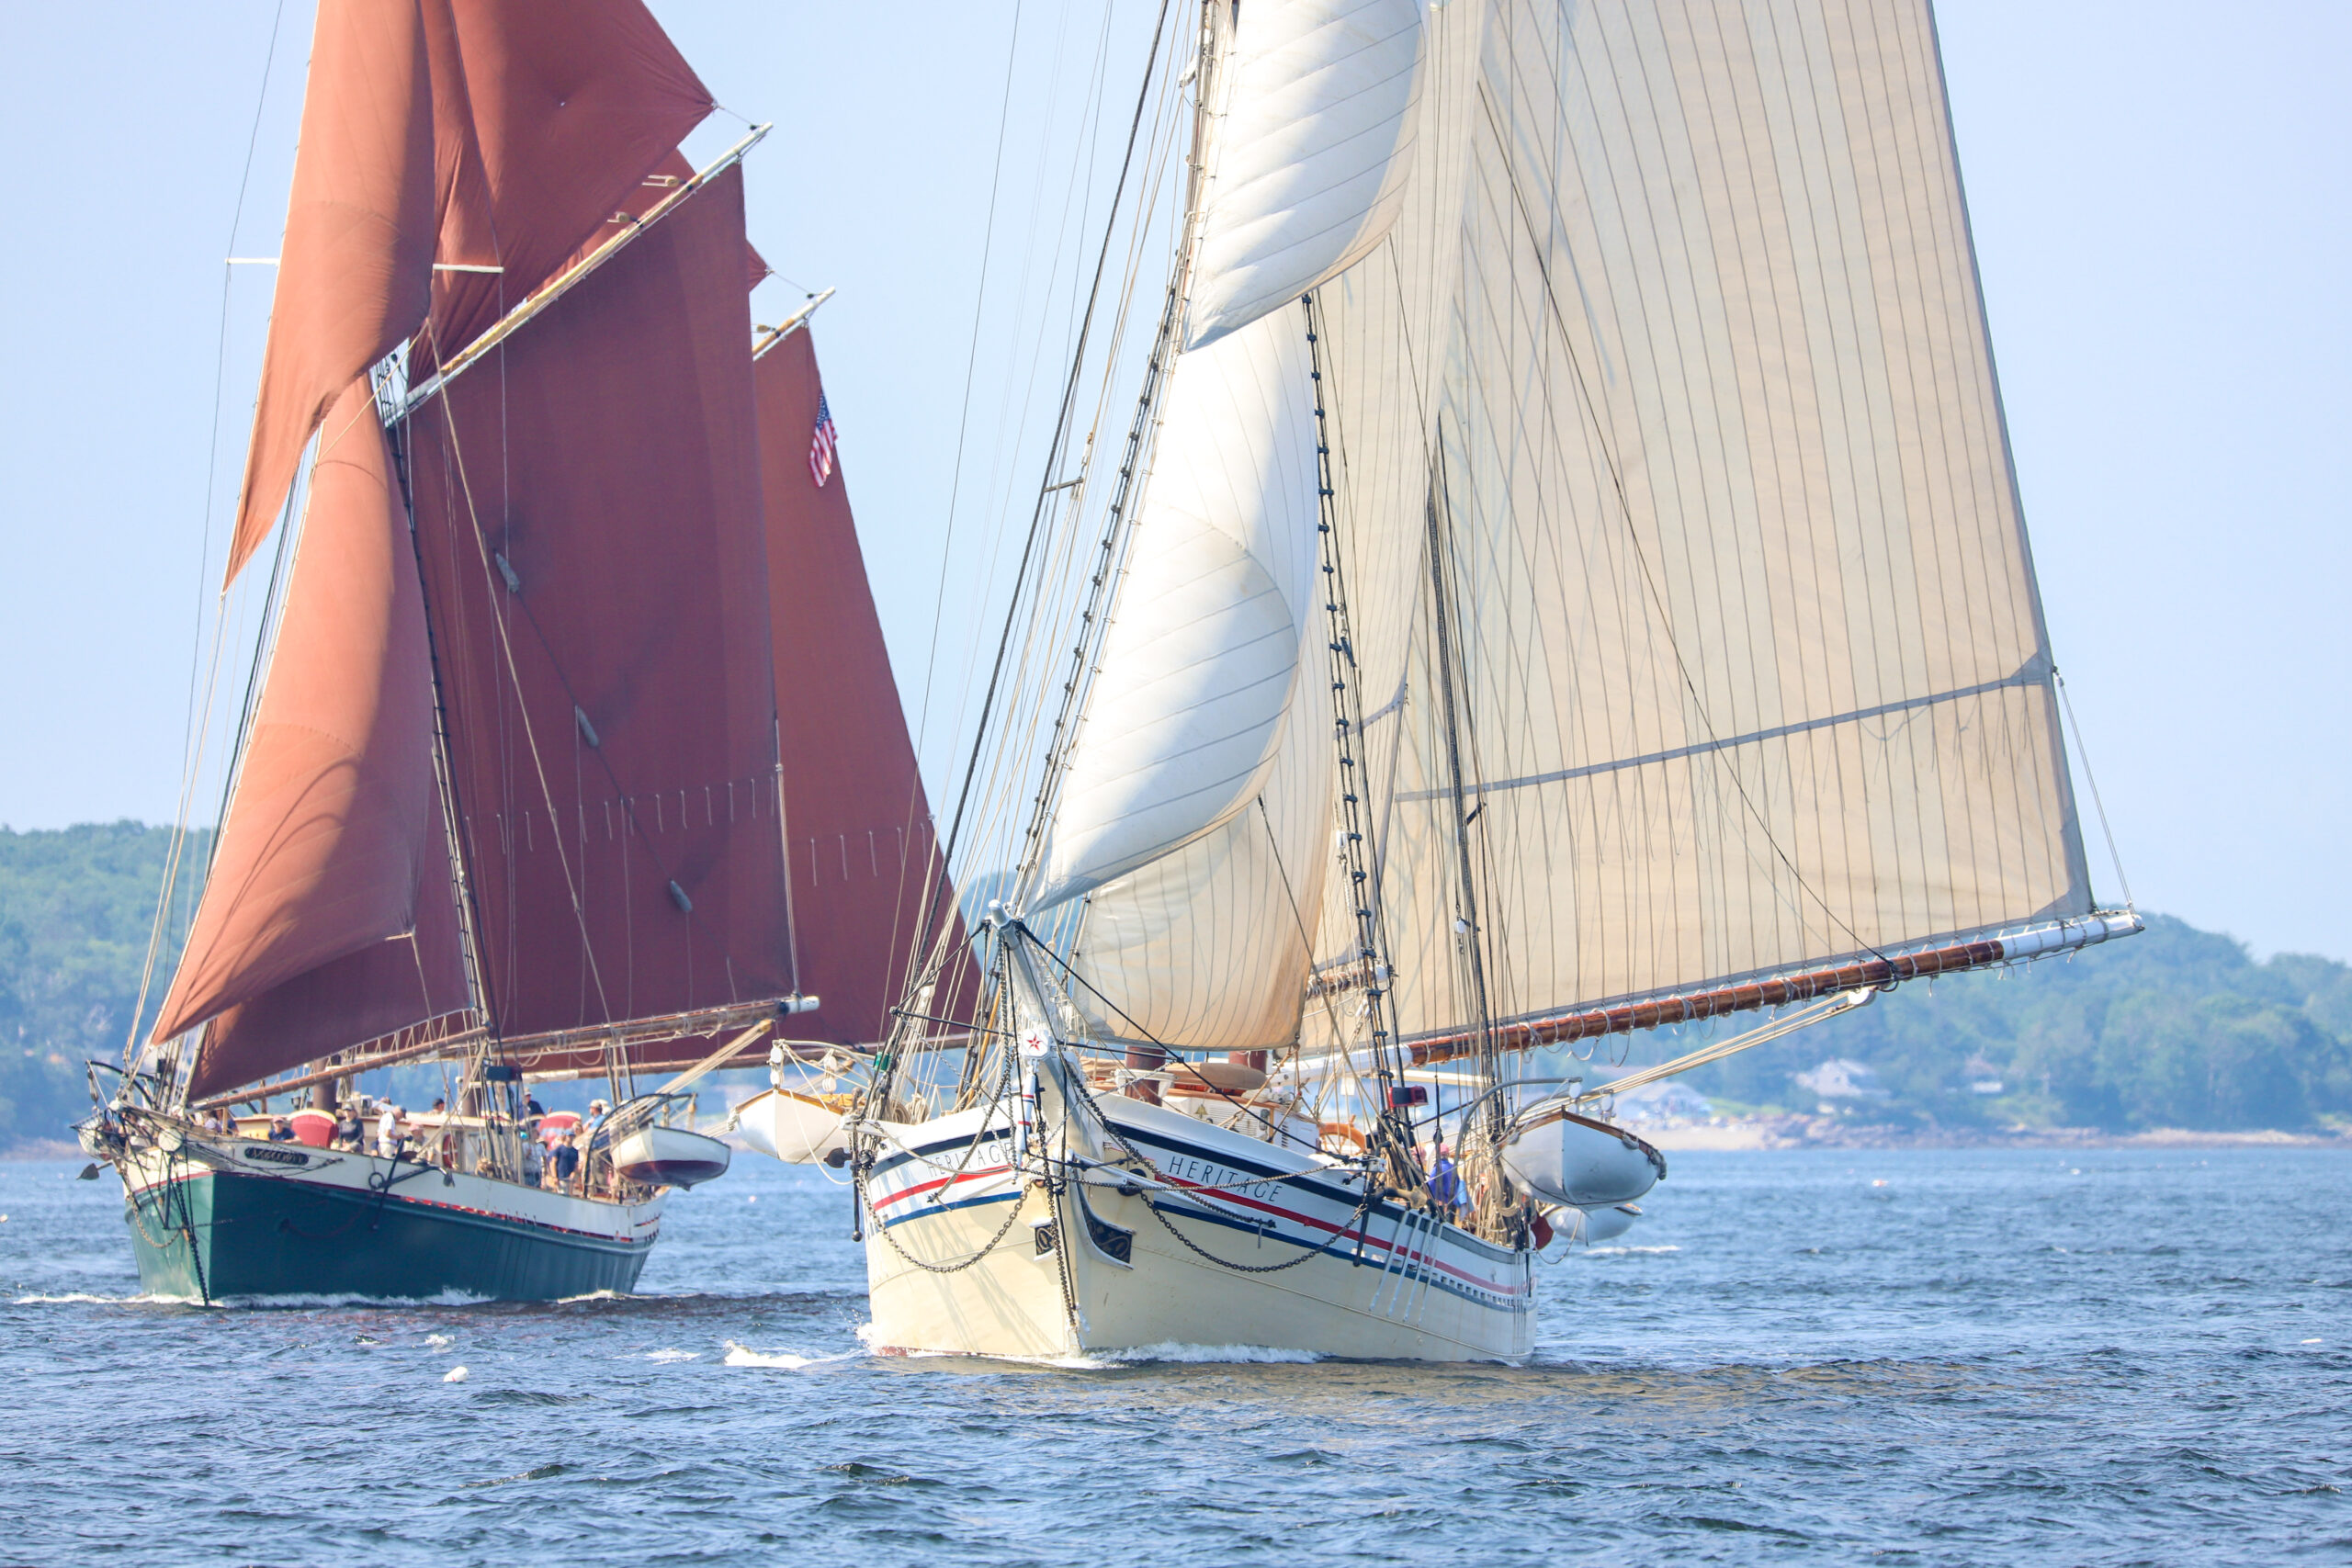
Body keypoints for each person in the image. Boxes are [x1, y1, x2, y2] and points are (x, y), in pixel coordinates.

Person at [1427, 1141, 1463, 1218]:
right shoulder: (1453, 1168)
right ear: (1448, 1155)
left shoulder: (1437, 1169)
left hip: (1441, 1207)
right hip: (1453, 1205)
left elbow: (1430, 1187)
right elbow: (1458, 1184)